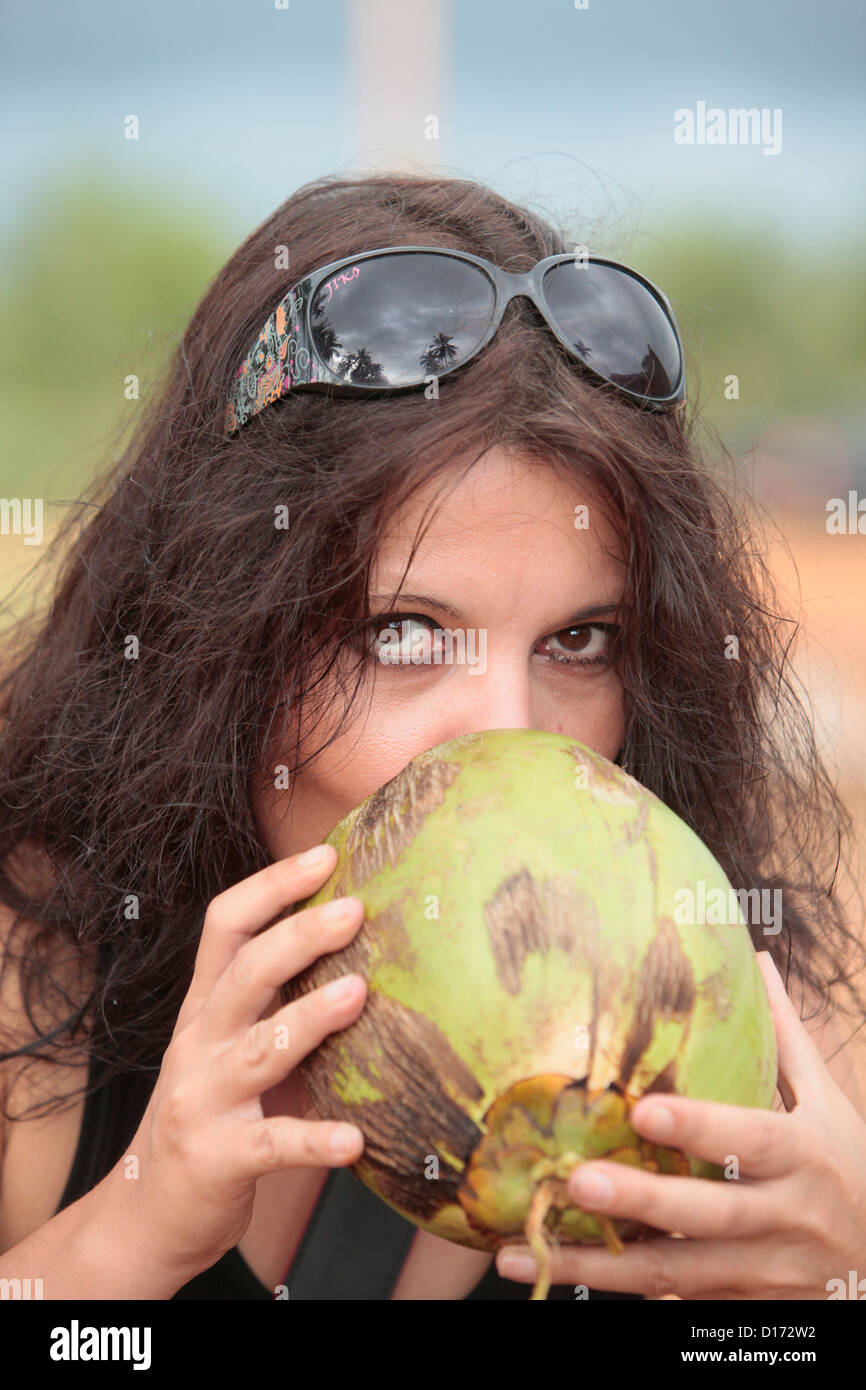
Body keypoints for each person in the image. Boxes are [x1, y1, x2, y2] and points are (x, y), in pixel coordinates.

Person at [0, 172, 864, 1301]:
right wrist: (120, 1245)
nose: (508, 733)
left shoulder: (752, 1048)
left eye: (579, 640)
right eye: (402, 633)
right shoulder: (34, 992)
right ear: (219, 644)